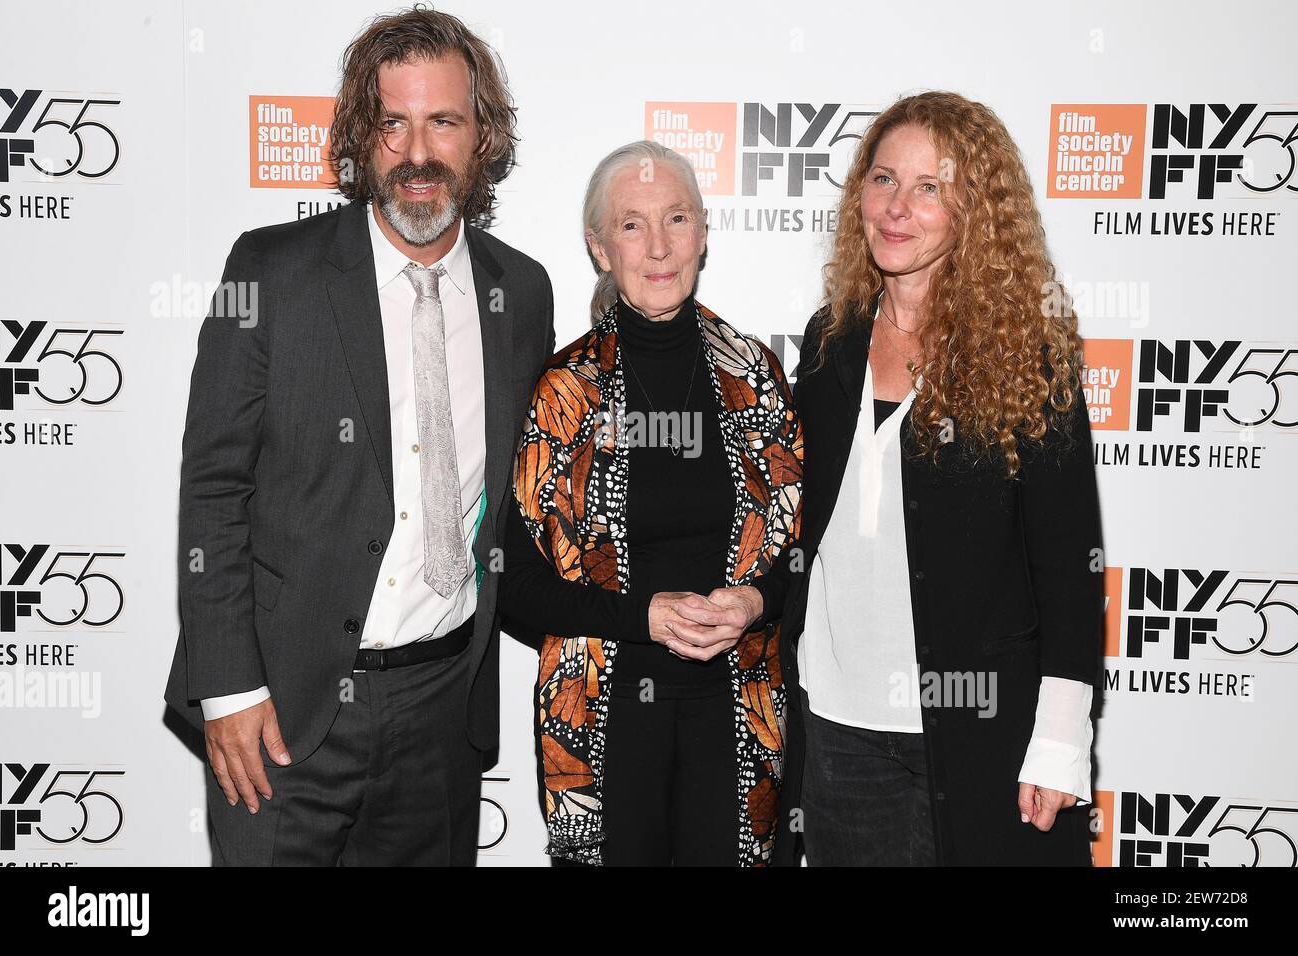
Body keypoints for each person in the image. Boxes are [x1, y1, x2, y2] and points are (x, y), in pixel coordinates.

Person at [163, 8, 555, 865]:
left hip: (441, 711)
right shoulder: (271, 271)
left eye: (443, 120)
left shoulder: (519, 293)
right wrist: (226, 686)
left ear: (480, 135)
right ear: (359, 136)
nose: (418, 152)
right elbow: (213, 487)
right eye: (392, 122)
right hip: (282, 716)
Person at [758, 91, 1104, 865]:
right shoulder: (830, 339)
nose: (897, 208)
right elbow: (806, 522)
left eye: (930, 187)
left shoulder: (1026, 354)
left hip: (980, 731)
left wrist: (1058, 736)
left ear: (974, 211)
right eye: (883, 180)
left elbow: (1069, 565)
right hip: (841, 732)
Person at [500, 140, 802, 866]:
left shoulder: (756, 377)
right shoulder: (562, 392)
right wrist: (643, 616)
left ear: (704, 232)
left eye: (677, 219)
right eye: (632, 226)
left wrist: (755, 603)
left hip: (738, 709)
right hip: (602, 713)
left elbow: (801, 554)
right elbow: (516, 589)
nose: (659, 247)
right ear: (599, 247)